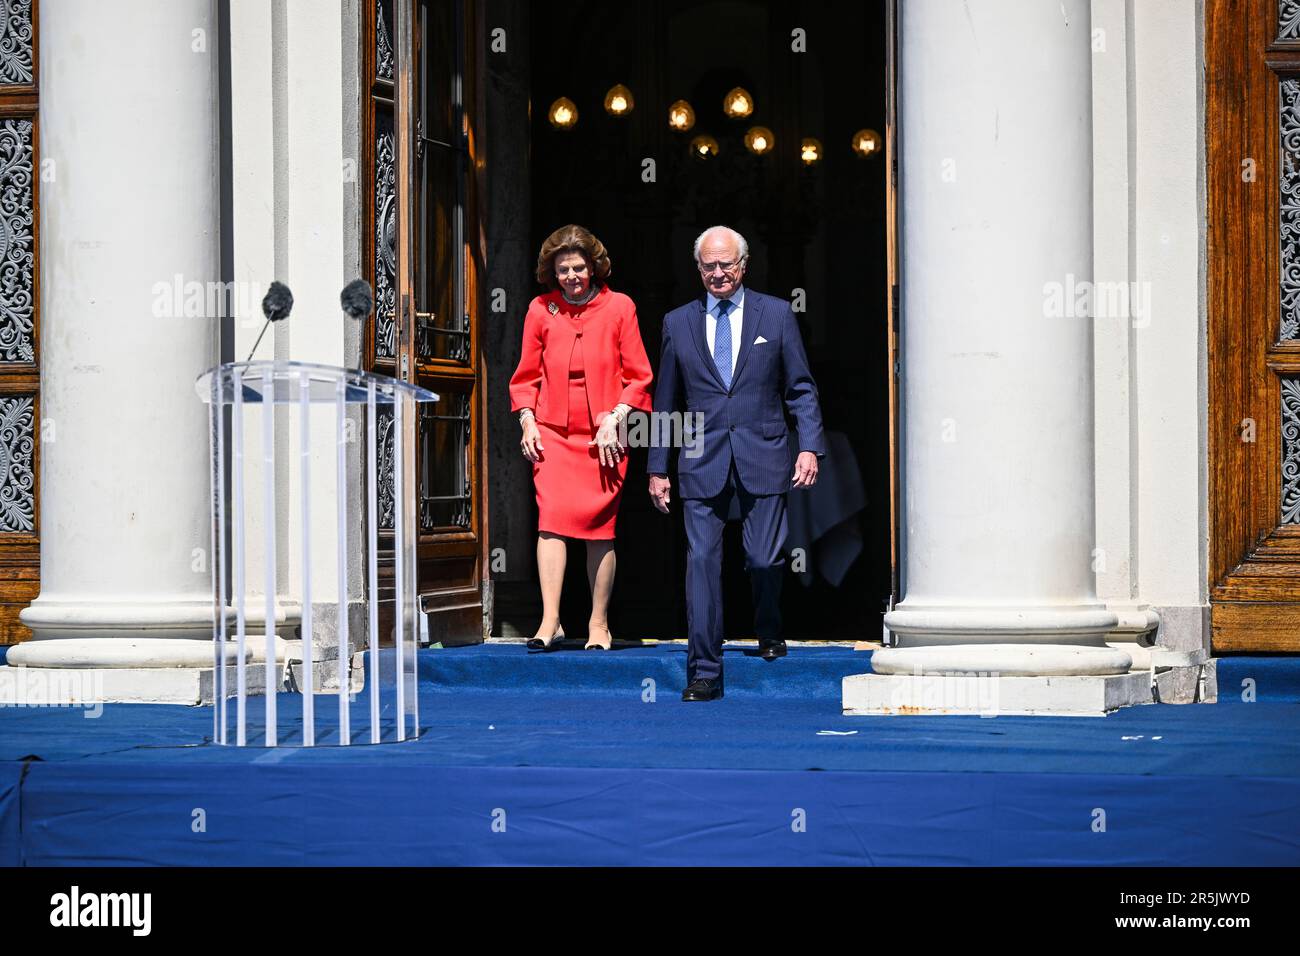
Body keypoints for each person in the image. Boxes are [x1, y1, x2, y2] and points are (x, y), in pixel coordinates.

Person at [647, 225, 825, 700]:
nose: (719, 273)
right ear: (698, 268)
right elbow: (666, 402)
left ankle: (768, 625)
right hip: (700, 459)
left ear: (743, 266)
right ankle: (704, 670)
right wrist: (657, 468)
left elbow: (801, 388)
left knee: (763, 558)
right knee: (701, 562)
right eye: (709, 265)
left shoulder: (778, 315)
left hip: (764, 453)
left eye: (727, 264)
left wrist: (808, 445)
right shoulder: (677, 322)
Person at [510, 225, 654, 650]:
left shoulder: (620, 307)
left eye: (578, 267)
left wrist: (619, 415)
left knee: (598, 528)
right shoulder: (540, 309)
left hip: (604, 437)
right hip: (552, 434)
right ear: (552, 272)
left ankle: (598, 624)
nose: (571, 276)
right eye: (563, 269)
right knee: (551, 522)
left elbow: (639, 375)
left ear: (593, 267)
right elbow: (525, 375)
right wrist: (527, 421)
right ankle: (550, 620)